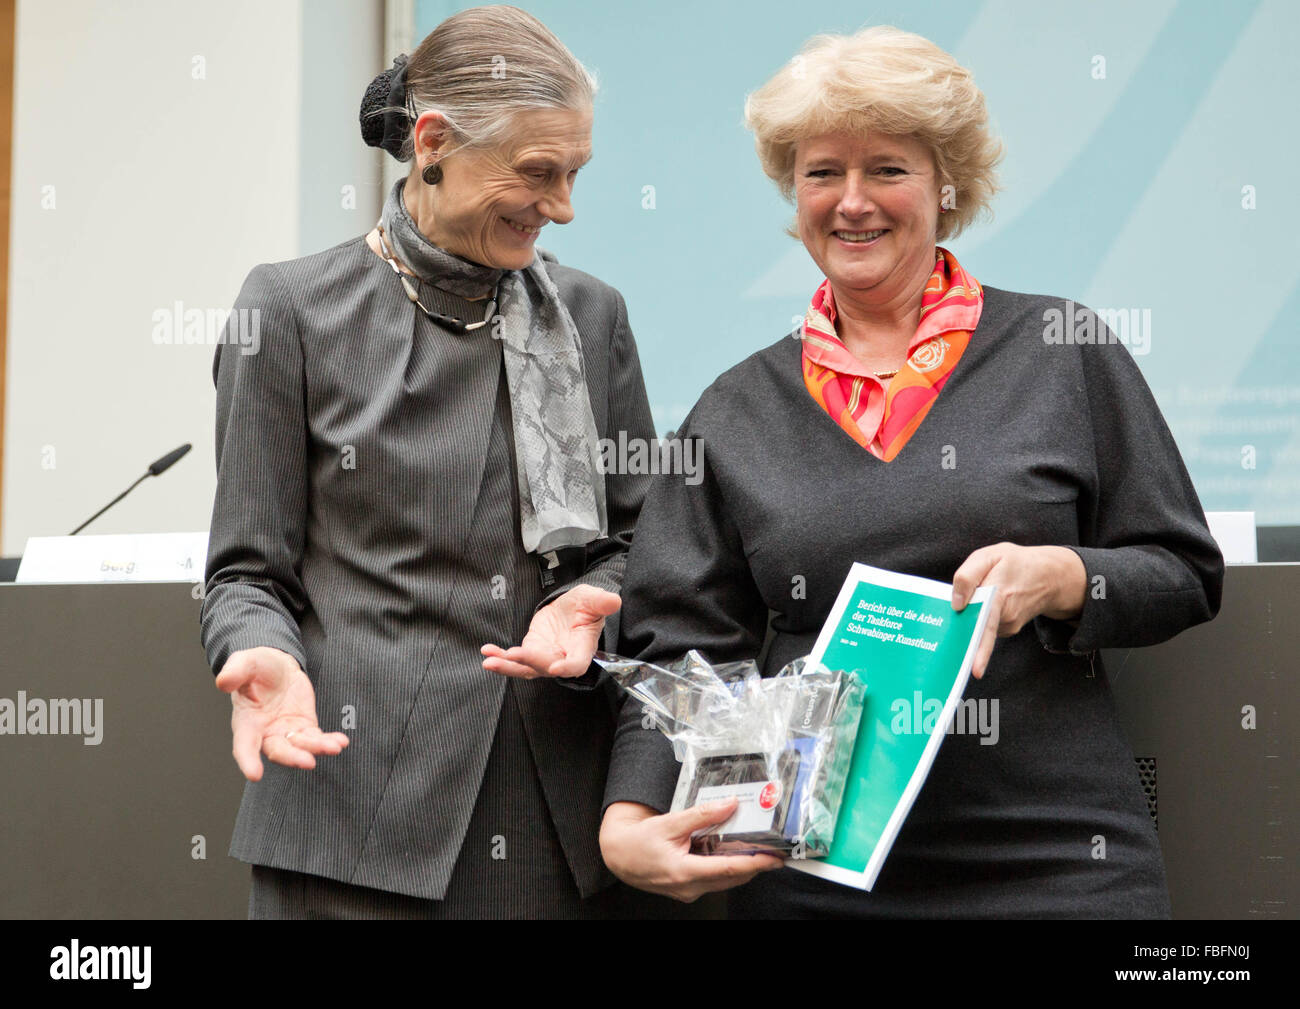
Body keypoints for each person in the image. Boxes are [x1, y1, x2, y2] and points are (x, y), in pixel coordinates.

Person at [591, 26, 1225, 917]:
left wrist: (1064, 576)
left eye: (887, 169)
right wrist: (629, 816)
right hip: (813, 873)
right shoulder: (734, 408)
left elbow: (1185, 572)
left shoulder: (1062, 351)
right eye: (822, 173)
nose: (852, 202)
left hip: (1059, 862)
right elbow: (681, 643)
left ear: (945, 185)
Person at [201, 5, 669, 919]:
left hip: (549, 821)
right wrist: (259, 649)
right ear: (434, 140)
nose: (564, 206)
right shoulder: (292, 310)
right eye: (539, 173)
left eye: (574, 174)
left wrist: (589, 602)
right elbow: (247, 570)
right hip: (349, 805)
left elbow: (641, 539)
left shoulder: (592, 315)